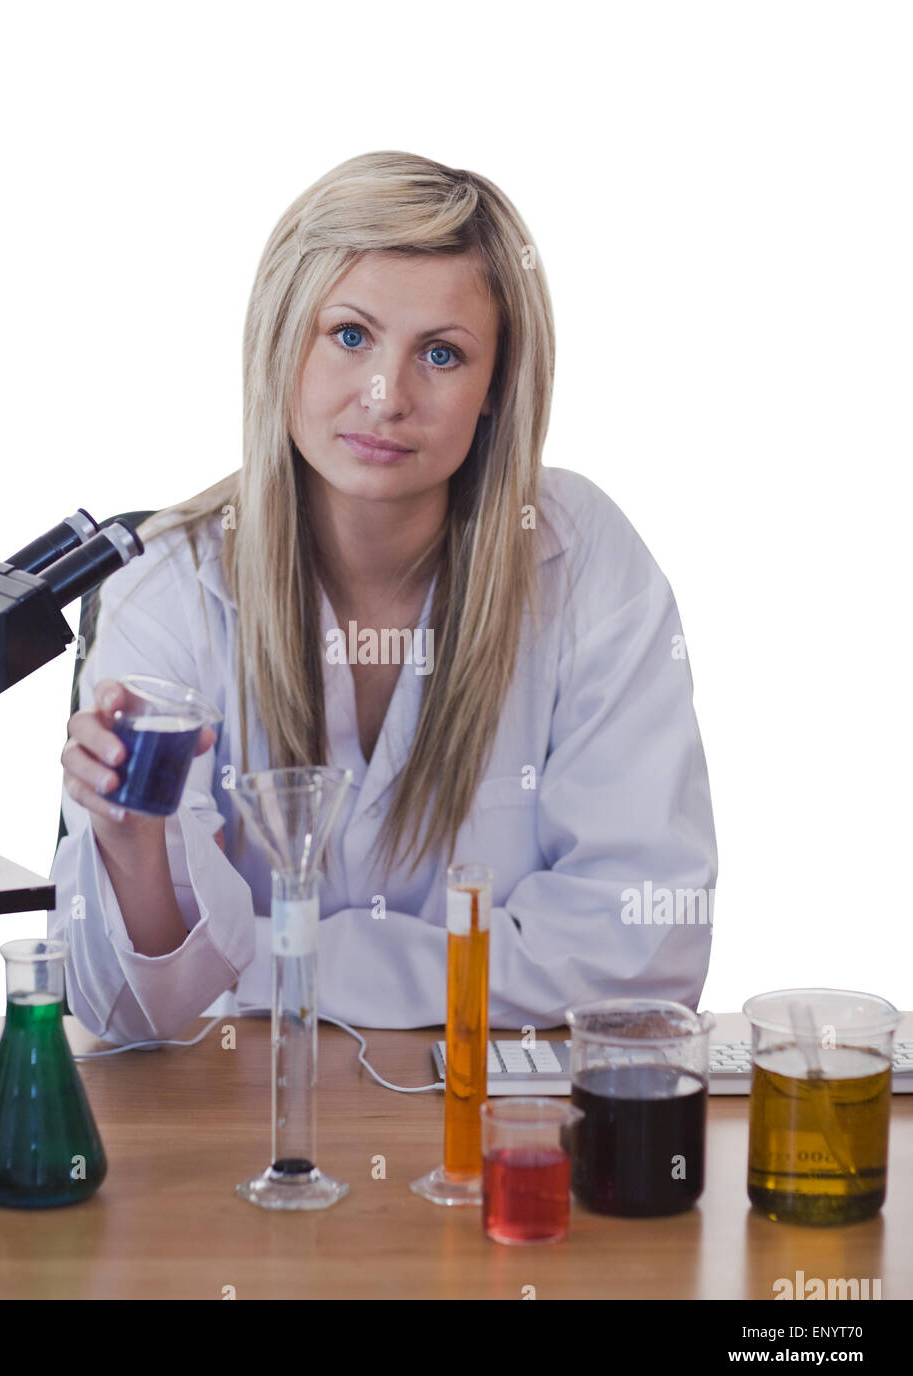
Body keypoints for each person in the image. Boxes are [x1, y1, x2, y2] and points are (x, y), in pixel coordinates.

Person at [49, 150, 718, 1045]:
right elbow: (135, 1017)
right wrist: (132, 848)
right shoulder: (161, 584)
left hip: (493, 1129)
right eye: (352, 336)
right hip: (239, 1132)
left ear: (495, 390)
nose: (385, 396)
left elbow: (644, 947)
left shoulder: (580, 554)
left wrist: (269, 960)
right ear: (282, 341)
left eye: (441, 354)